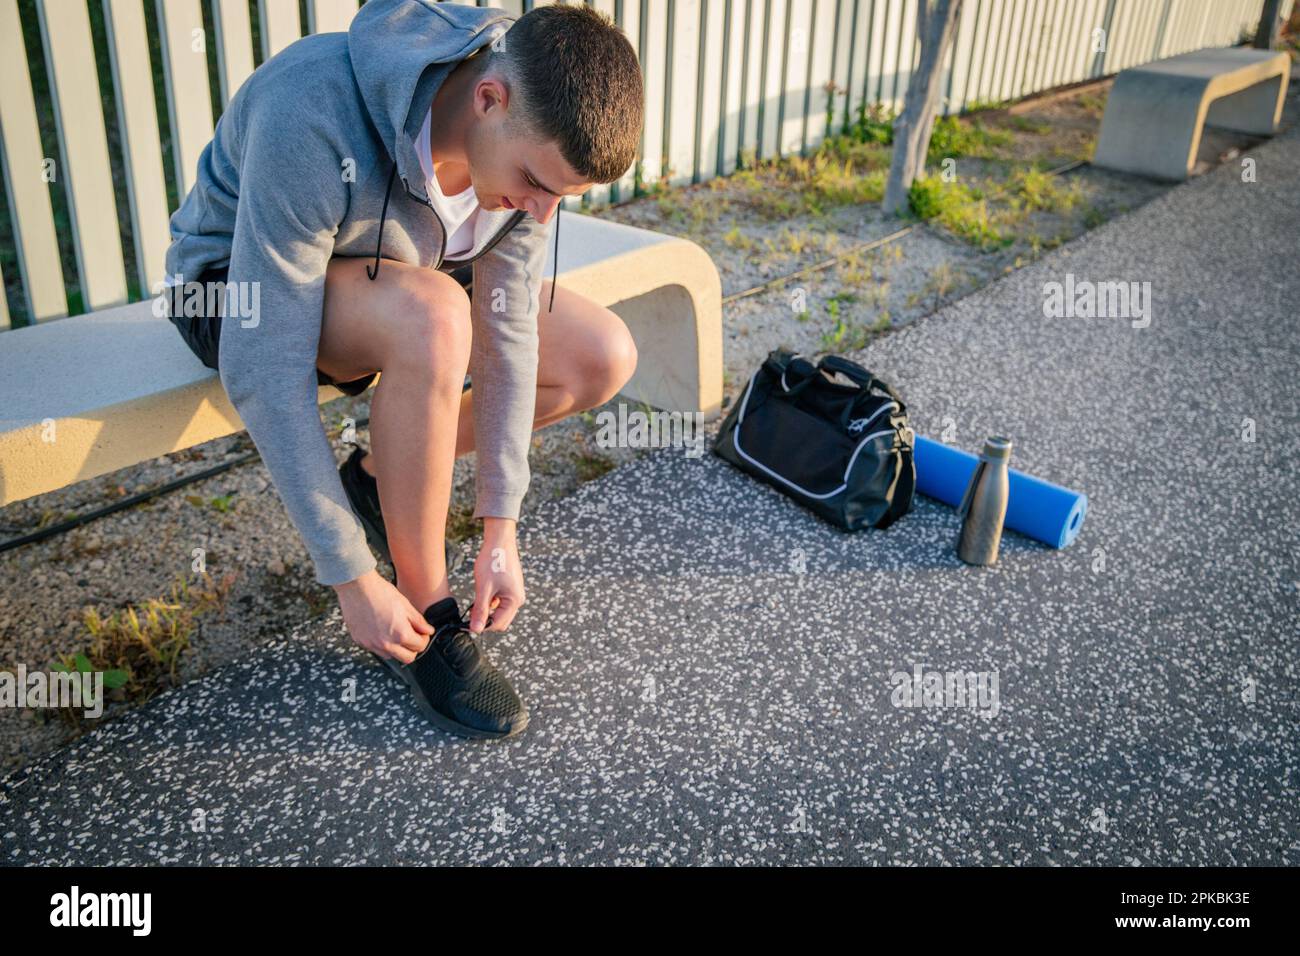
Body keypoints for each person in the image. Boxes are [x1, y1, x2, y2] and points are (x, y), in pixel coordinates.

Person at [160, 0, 644, 739]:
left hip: (400, 273)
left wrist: (499, 527)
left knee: (598, 355)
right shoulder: (311, 107)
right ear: (488, 98)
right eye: (535, 183)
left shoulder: (515, 145)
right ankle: (426, 614)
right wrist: (352, 578)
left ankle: (382, 480)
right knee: (435, 317)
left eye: (561, 199)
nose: (541, 215)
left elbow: (511, 333)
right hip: (240, 289)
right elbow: (263, 369)